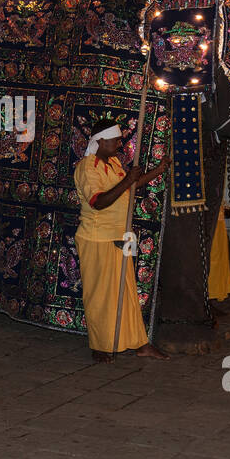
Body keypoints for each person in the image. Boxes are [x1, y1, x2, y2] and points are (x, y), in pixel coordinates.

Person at [73, 119, 171, 363]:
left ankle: (139, 343)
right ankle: (100, 345)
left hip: (122, 235)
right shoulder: (87, 167)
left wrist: (158, 170)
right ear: (102, 141)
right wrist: (127, 180)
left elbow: (130, 186)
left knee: (126, 292)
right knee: (100, 295)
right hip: (97, 238)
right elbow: (99, 202)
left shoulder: (114, 162)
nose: (120, 143)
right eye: (116, 140)